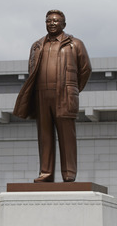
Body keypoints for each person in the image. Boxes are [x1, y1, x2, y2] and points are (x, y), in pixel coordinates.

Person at [13, 10, 91, 182]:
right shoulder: (37, 45)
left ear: (64, 24)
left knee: (66, 136)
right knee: (45, 135)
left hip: (64, 94)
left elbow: (85, 69)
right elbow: (32, 70)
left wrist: (73, 88)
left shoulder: (75, 44)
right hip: (42, 94)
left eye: (56, 21)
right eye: (49, 21)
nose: (52, 23)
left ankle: (69, 172)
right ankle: (46, 172)